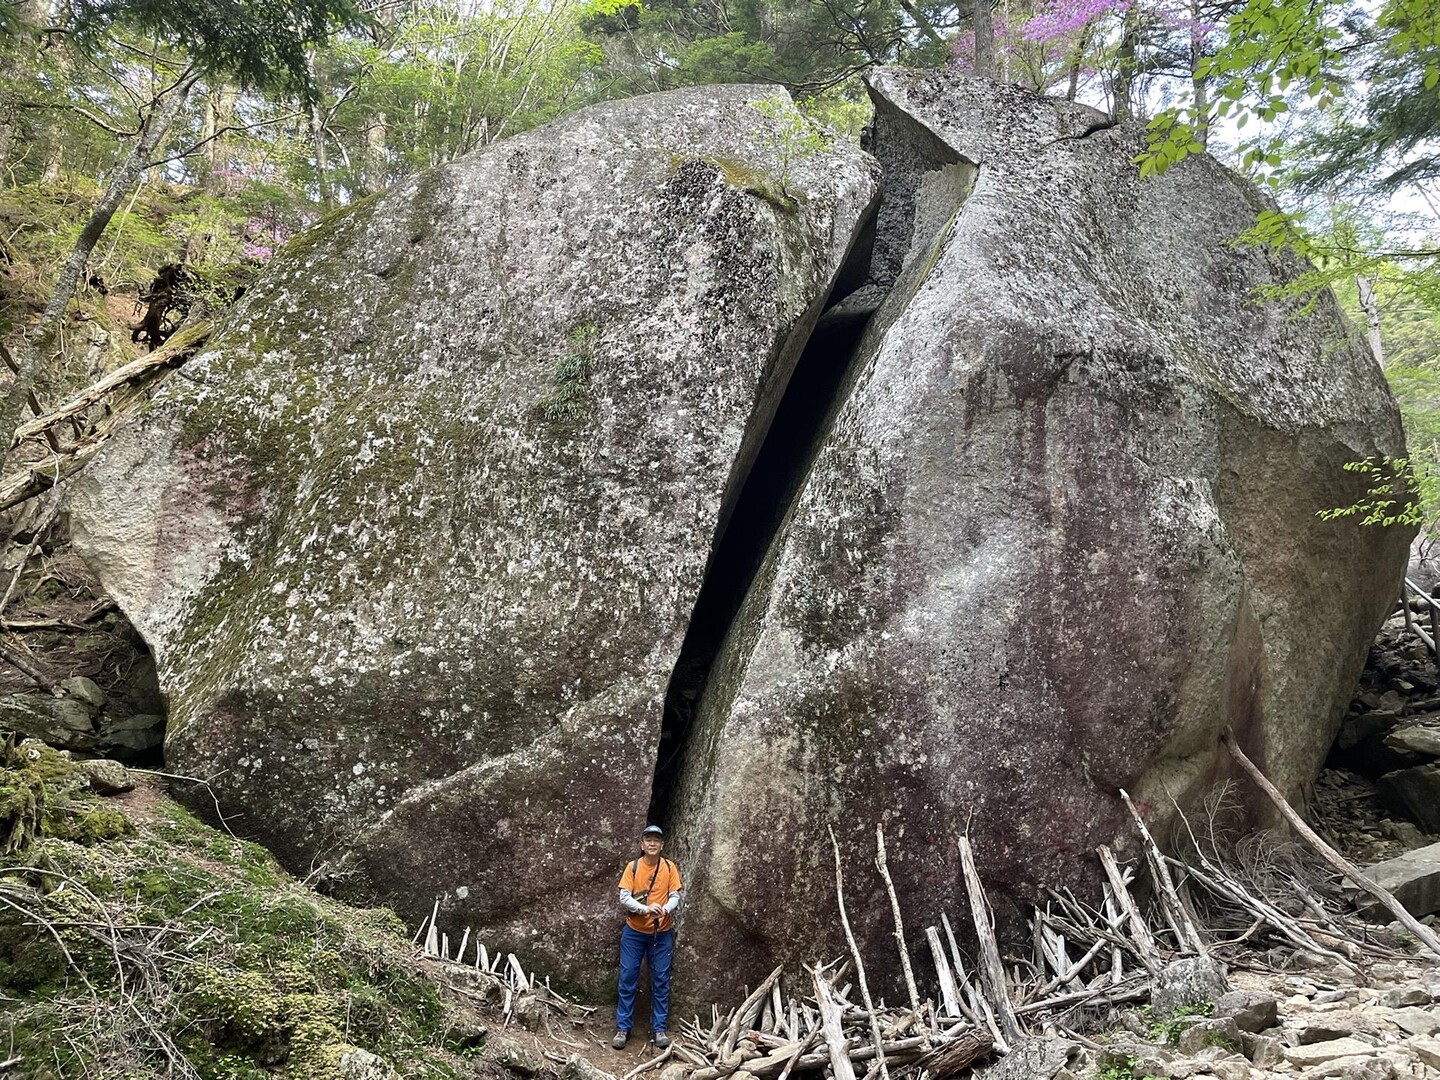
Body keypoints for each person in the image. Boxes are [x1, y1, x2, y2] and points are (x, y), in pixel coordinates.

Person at [613, 824, 682, 1050]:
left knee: (661, 979)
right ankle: (623, 1027)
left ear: (662, 845)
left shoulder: (669, 868)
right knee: (628, 977)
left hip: (661, 933)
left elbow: (675, 895)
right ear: (642, 845)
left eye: (656, 840)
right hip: (634, 932)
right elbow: (624, 897)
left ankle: (659, 1028)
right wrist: (645, 909)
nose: (652, 844)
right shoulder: (633, 868)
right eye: (648, 840)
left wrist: (665, 909)